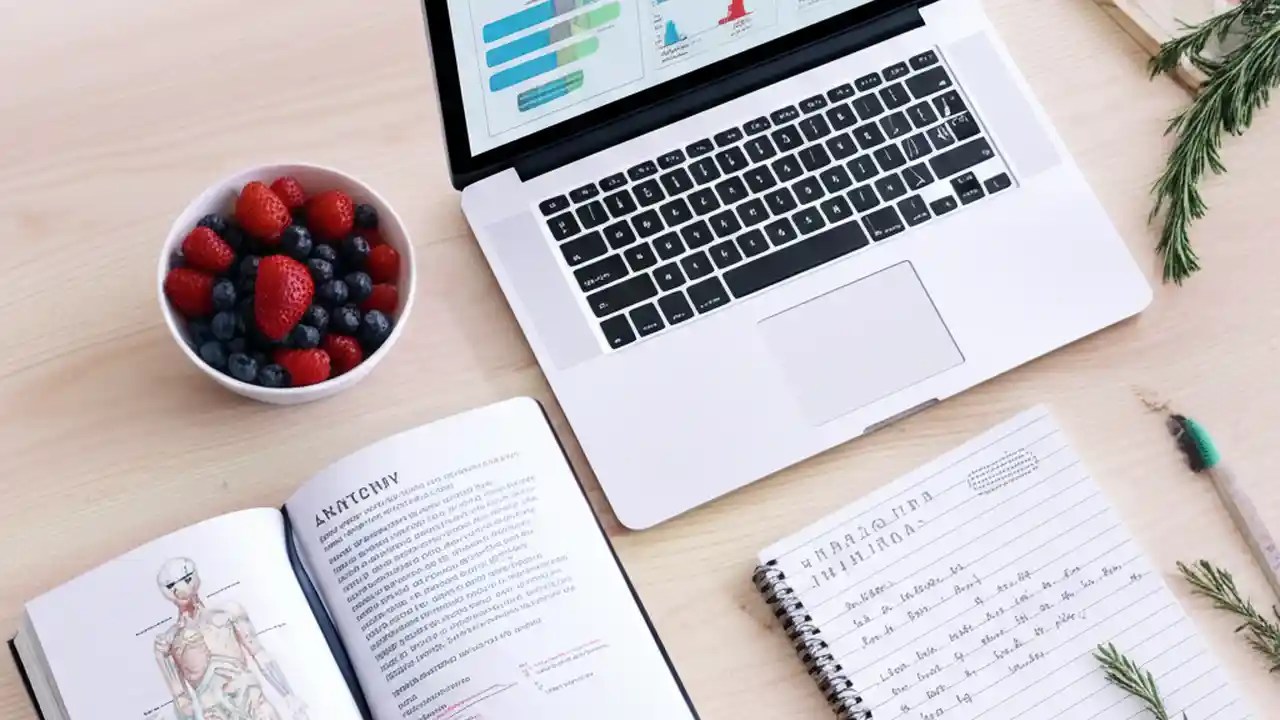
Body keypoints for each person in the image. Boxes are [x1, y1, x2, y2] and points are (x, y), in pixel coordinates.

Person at [152, 557, 309, 720]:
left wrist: (289, 695)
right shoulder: (167, 642)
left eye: (186, 579)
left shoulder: (229, 612)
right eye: (171, 585)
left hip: (253, 701)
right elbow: (181, 698)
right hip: (215, 713)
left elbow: (260, 654)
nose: (180, 589)